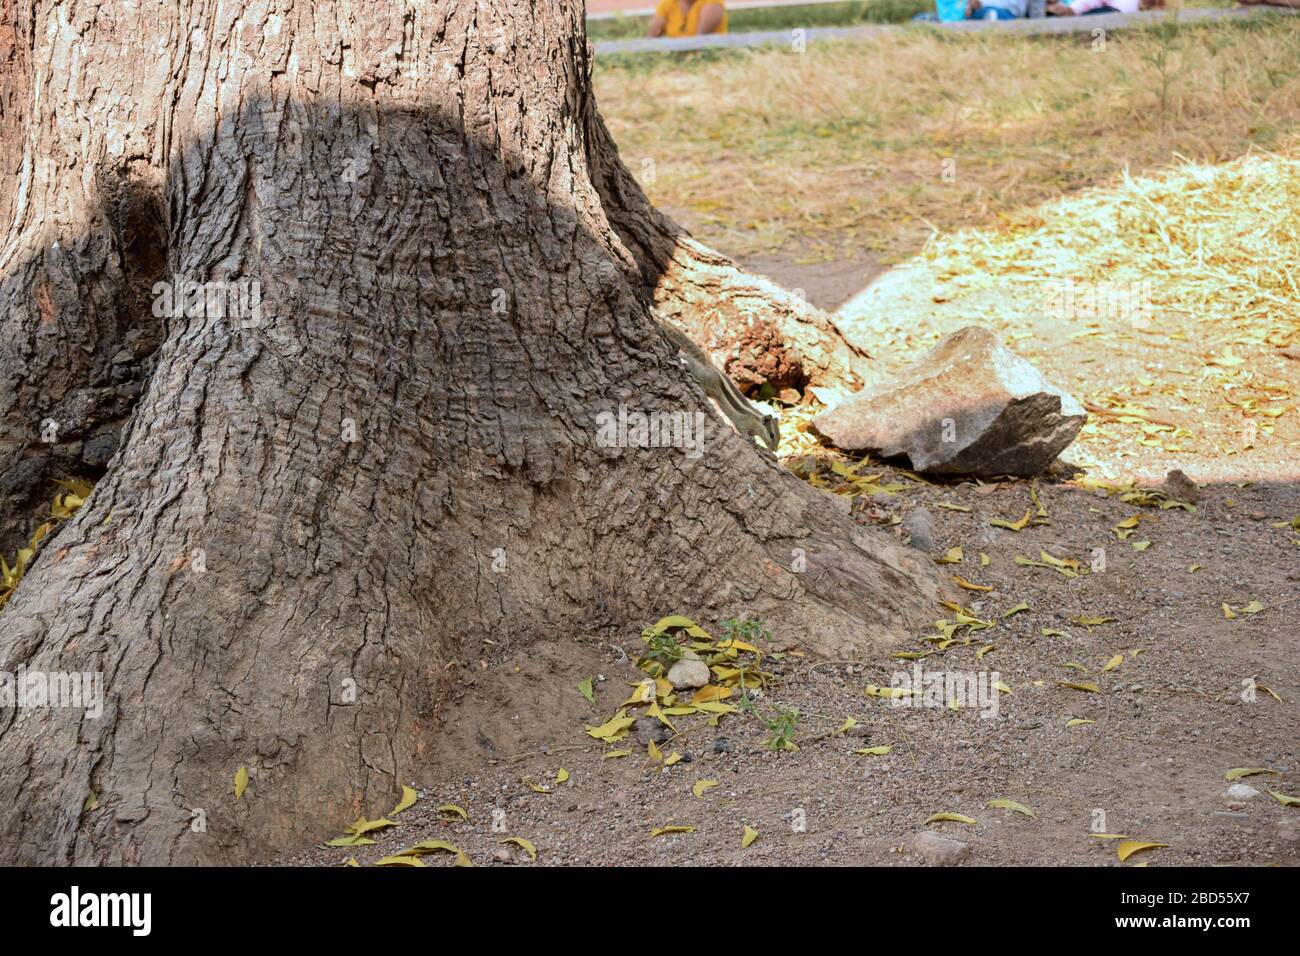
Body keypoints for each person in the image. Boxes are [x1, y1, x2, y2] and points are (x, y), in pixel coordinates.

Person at [648, 0, 728, 37]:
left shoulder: (712, 4)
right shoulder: (667, 4)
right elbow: (651, 37)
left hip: (708, 59)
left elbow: (699, 43)